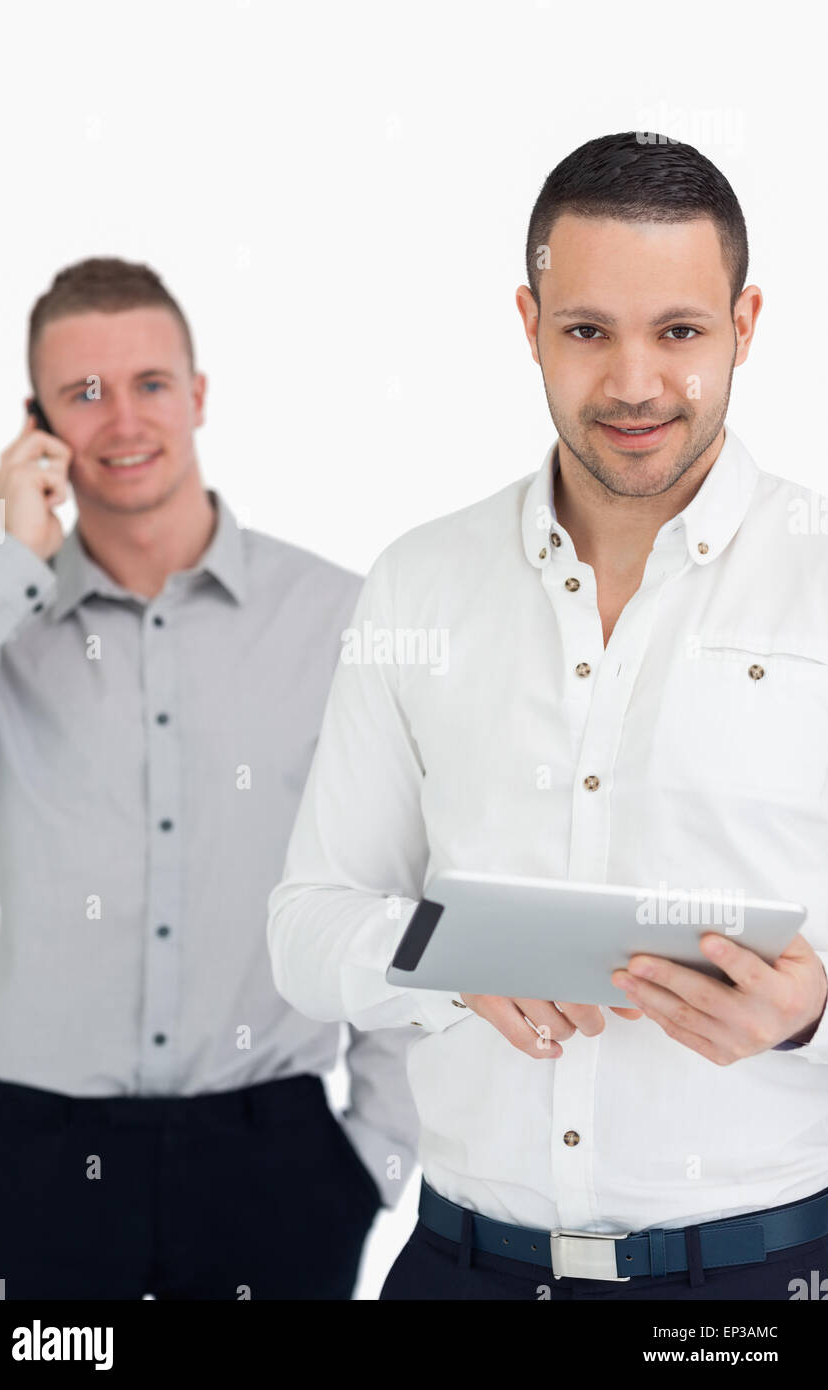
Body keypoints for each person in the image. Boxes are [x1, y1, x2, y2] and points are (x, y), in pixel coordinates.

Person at [267, 132, 828, 1301]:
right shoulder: (420, 582)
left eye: (677, 331)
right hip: (460, 1264)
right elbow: (308, 923)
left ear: (746, 322)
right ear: (527, 324)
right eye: (586, 331)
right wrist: (440, 961)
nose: (631, 383)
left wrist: (808, 1013)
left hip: (756, 1281)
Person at [0, 257, 418, 1300]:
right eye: (83, 393)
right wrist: (7, 560)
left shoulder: (337, 617)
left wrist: (372, 1158)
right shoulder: (1, 620)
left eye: (150, 384)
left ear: (199, 394)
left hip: (275, 1156)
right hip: (34, 1156)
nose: (122, 421)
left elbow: (406, 882)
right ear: (35, 425)